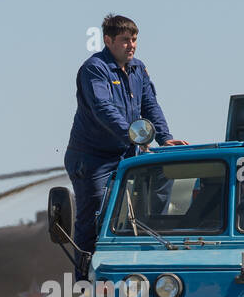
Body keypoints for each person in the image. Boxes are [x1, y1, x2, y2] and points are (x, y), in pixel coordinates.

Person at [64, 14, 187, 276]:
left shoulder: (138, 69)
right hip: (93, 158)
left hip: (128, 152)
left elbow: (150, 105)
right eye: (124, 40)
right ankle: (86, 280)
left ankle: (147, 266)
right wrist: (135, 136)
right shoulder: (94, 69)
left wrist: (164, 137)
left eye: (133, 40)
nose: (130, 45)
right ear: (108, 41)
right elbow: (103, 109)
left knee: (162, 181)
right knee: (96, 213)